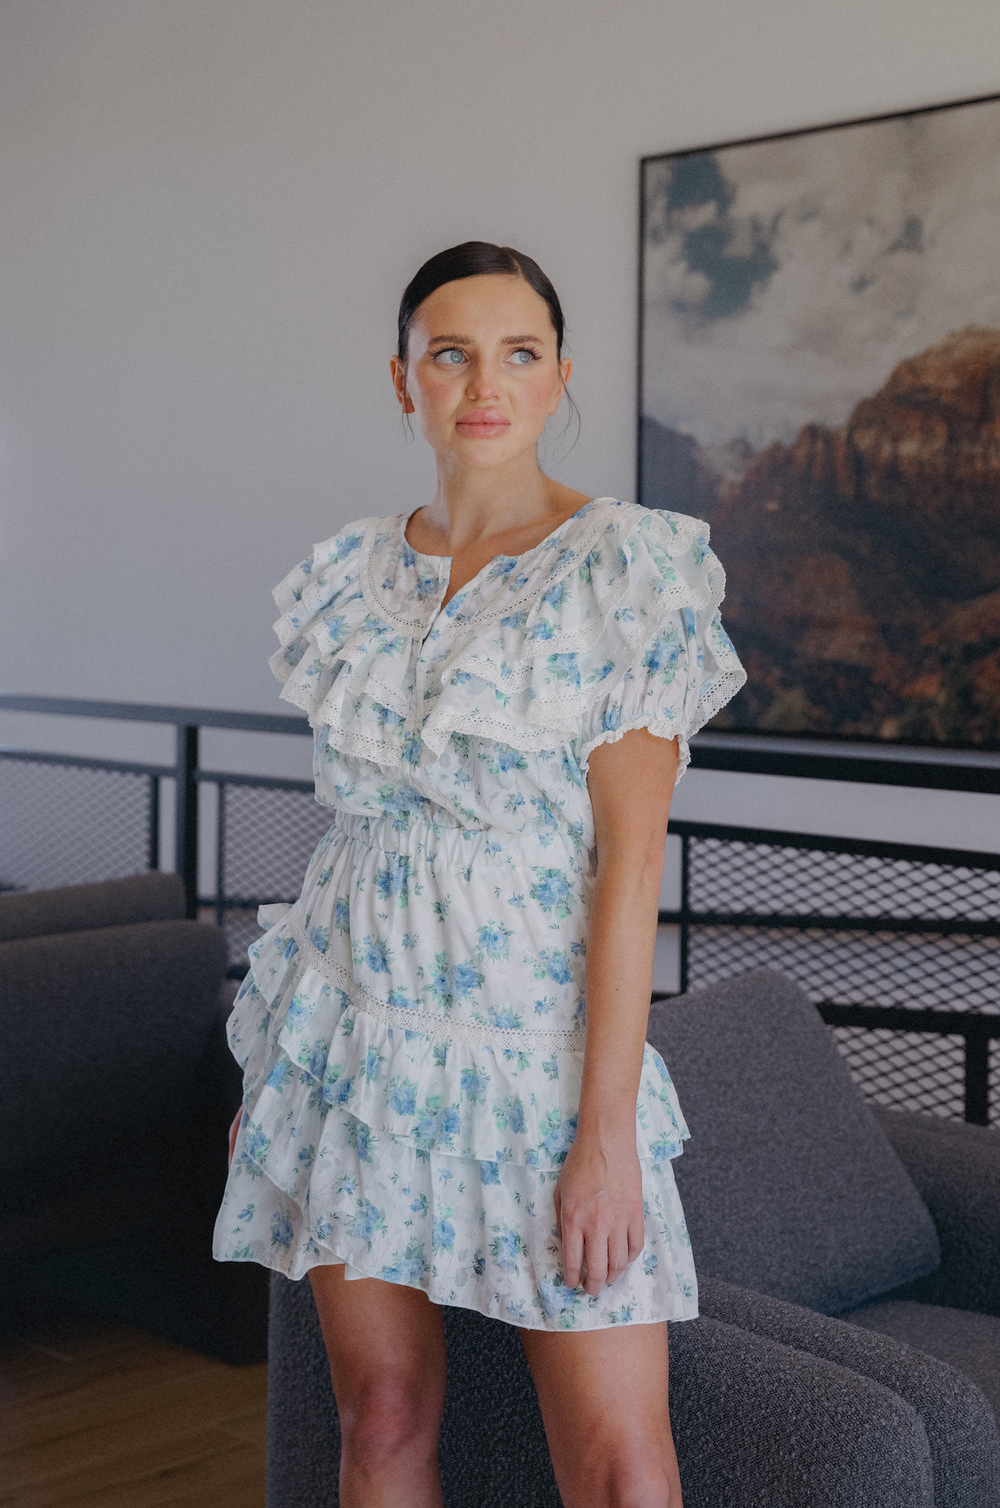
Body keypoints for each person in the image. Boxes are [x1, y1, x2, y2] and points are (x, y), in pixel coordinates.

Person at [214, 241, 746, 1507]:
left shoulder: (625, 568)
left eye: (517, 353)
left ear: (560, 375)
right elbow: (355, 839)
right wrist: (278, 1071)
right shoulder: (352, 575)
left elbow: (628, 873)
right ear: (404, 380)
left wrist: (605, 1134)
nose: (482, 383)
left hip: (536, 1068)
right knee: (380, 1414)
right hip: (354, 1048)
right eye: (449, 352)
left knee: (619, 1468)